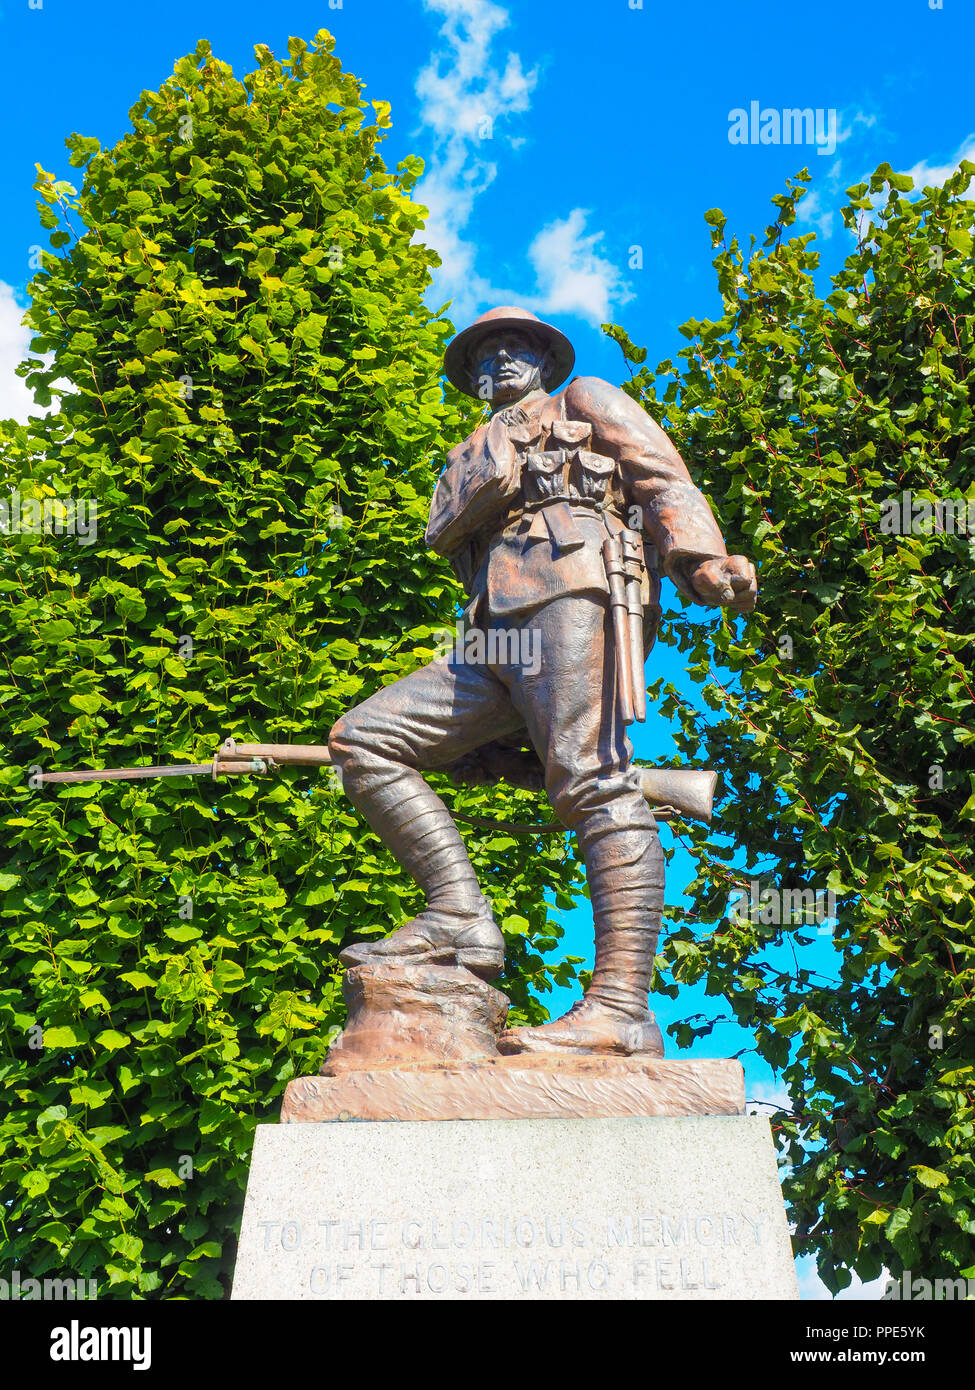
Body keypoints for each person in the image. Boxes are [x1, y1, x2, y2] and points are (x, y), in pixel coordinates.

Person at [328, 307, 757, 1055]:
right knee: (364, 740)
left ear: (541, 358)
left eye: (512, 348)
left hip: (570, 589)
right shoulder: (467, 451)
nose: (496, 362)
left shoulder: (583, 399)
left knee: (590, 779)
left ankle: (620, 1006)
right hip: (489, 628)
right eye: (481, 357)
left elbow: (662, 478)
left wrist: (699, 559)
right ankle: (458, 912)